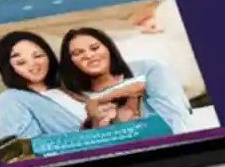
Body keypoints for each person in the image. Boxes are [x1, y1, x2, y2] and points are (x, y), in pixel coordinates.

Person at [57, 27, 192, 134]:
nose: (89, 55)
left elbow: (175, 118)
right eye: (78, 53)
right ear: (70, 62)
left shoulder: (148, 69)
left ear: (109, 49)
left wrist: (100, 98)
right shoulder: (72, 98)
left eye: (95, 48)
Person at [0, 31, 87, 142]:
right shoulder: (11, 99)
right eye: (21, 62)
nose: (33, 64)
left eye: (38, 56)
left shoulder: (68, 89)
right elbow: (19, 147)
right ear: (8, 67)